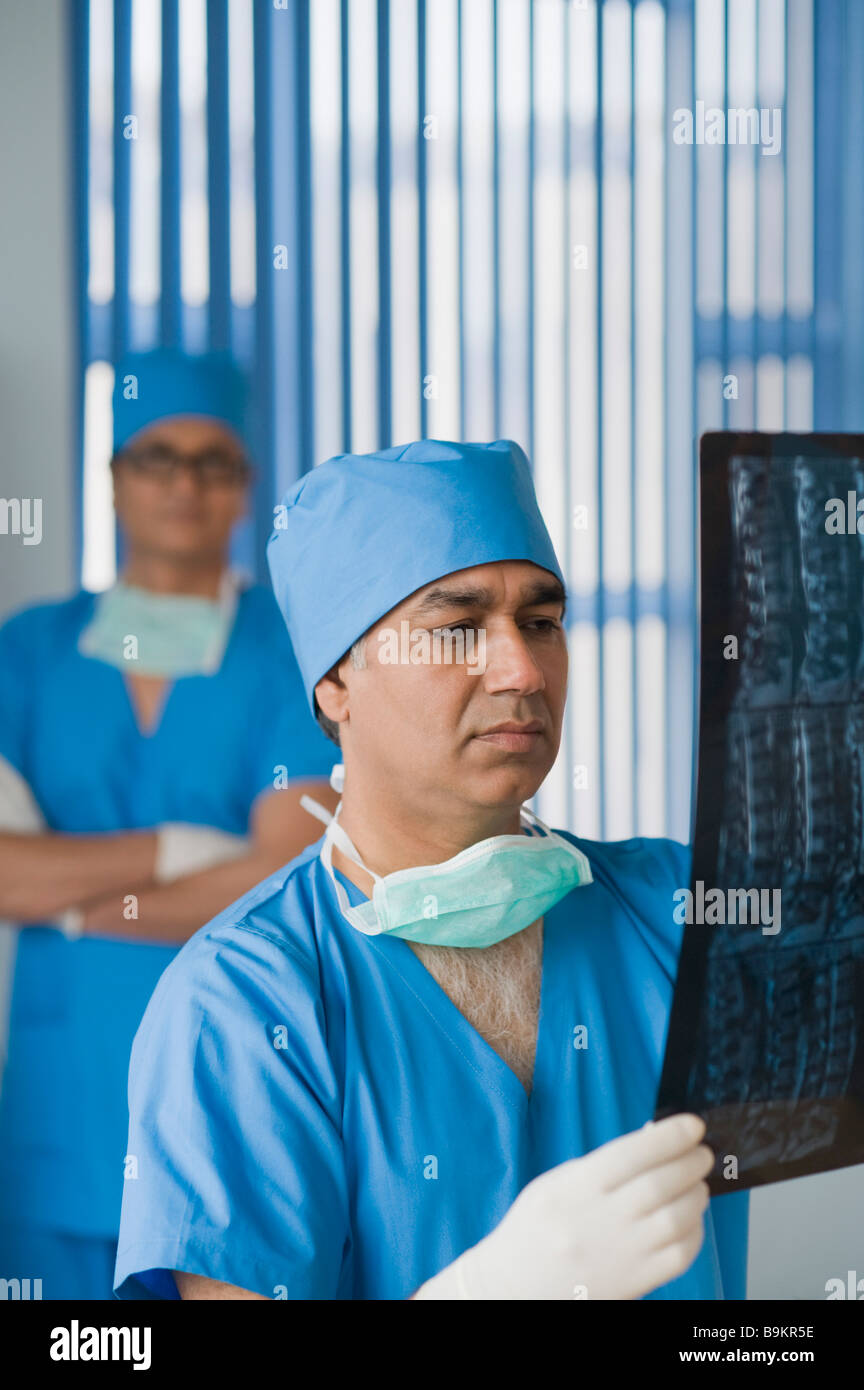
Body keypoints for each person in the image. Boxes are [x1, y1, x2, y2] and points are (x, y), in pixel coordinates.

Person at [113, 438, 749, 1301]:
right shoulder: (245, 1003)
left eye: (541, 621)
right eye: (456, 629)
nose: (523, 671)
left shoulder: (680, 914)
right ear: (337, 682)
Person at [0, 349, 338, 1300]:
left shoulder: (294, 651)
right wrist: (178, 851)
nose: (185, 484)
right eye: (157, 457)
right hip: (56, 1112)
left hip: (227, 1091)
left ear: (244, 489)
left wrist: (61, 894)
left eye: (214, 461)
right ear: (113, 479)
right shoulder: (29, 652)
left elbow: (285, 875)